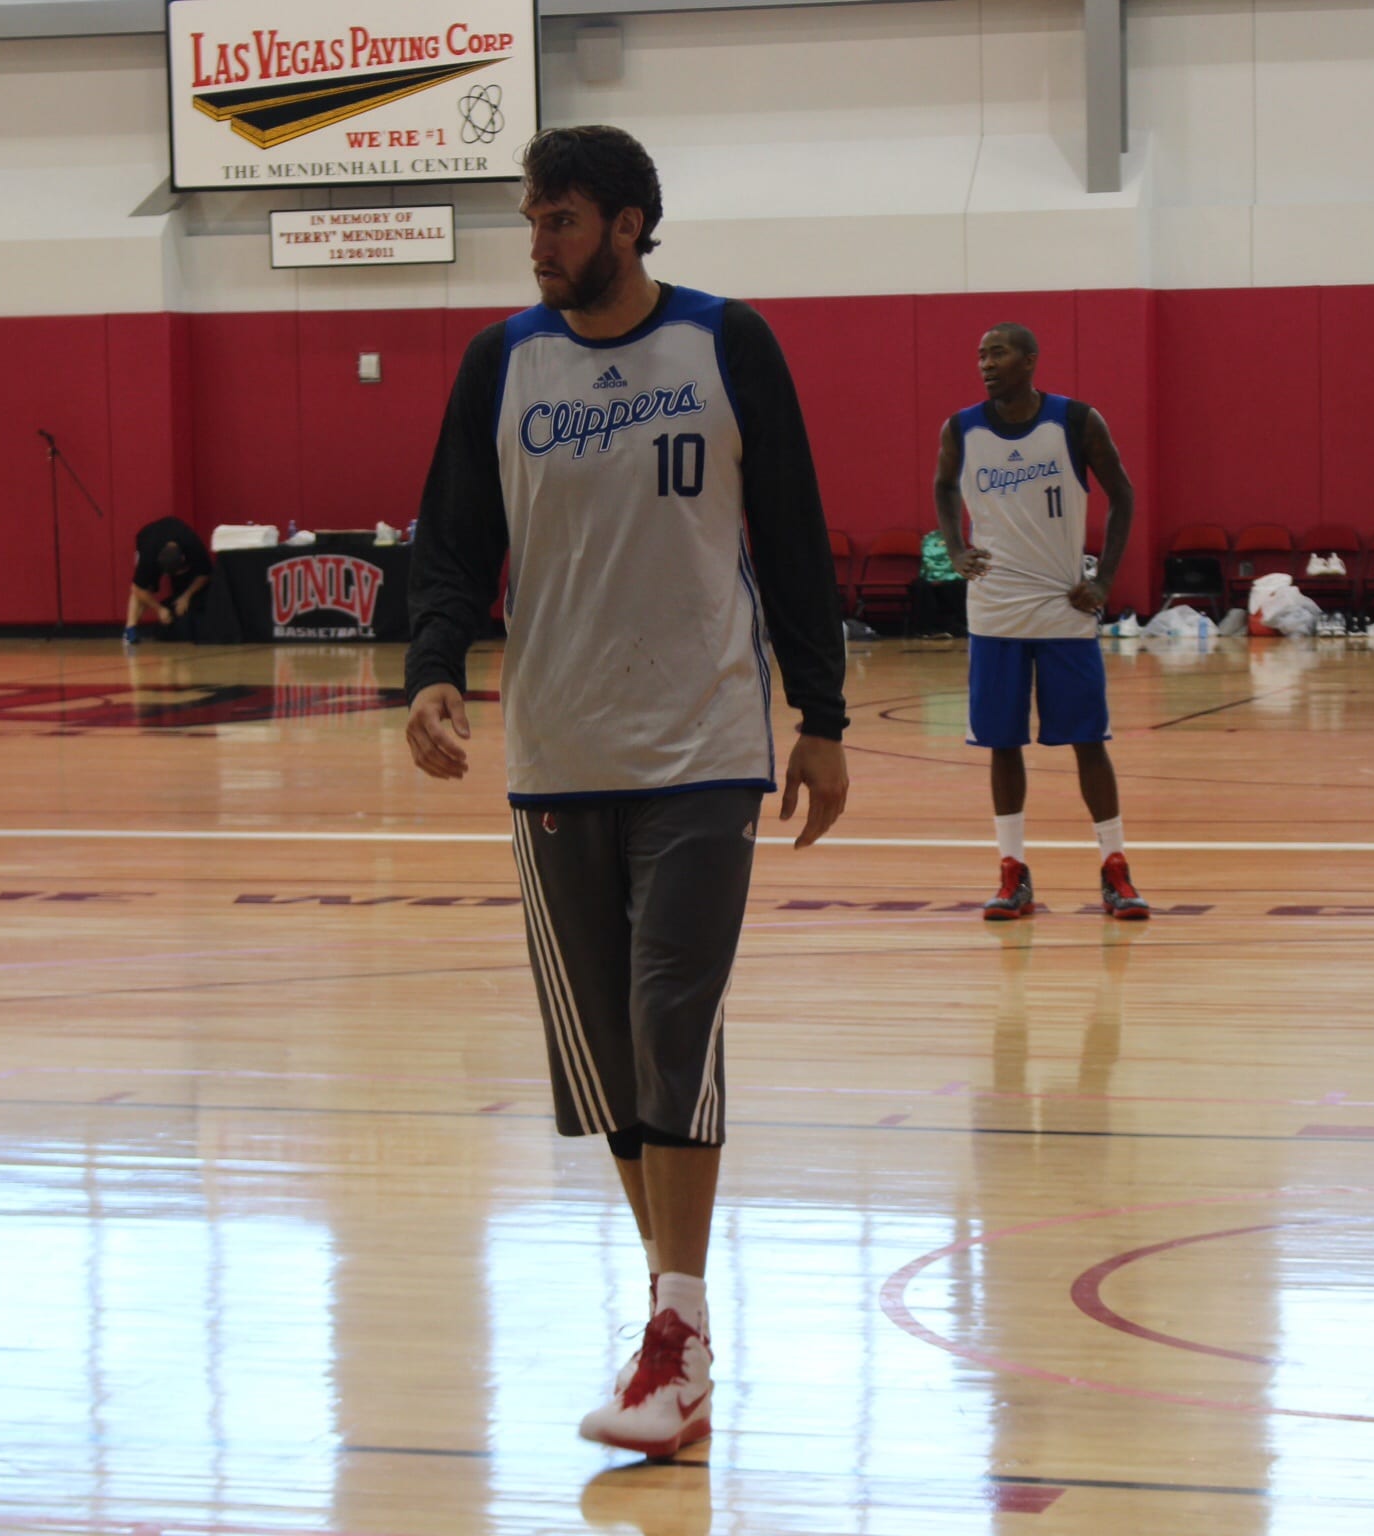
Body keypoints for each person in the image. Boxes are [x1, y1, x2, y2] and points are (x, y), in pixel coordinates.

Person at [404, 124, 849, 1460]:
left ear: (633, 223)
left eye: (562, 220)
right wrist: (433, 671)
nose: (539, 243)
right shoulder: (501, 364)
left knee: (675, 1018)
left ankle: (675, 1320)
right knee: (608, 1071)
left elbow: (797, 529)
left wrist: (821, 717)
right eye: (531, 220)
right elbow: (450, 541)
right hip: (557, 757)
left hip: (703, 745)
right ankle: (681, 1327)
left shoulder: (728, 344)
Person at [932, 323, 1149, 922]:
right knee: (1002, 742)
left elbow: (1123, 495)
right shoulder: (961, 428)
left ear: (1029, 360)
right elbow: (944, 487)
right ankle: (1011, 870)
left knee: (1088, 740)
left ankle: (1115, 866)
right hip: (995, 610)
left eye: (997, 353)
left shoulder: (1075, 421)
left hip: (1062, 607)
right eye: (980, 354)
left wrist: (1103, 580)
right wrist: (954, 550)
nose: (985, 363)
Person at [123, 516, 212, 643]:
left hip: (171, 530)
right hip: (147, 537)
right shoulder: (148, 556)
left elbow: (205, 573)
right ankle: (130, 630)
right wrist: (159, 609)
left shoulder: (192, 543)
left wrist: (186, 596)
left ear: (183, 557)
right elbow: (137, 588)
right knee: (144, 587)